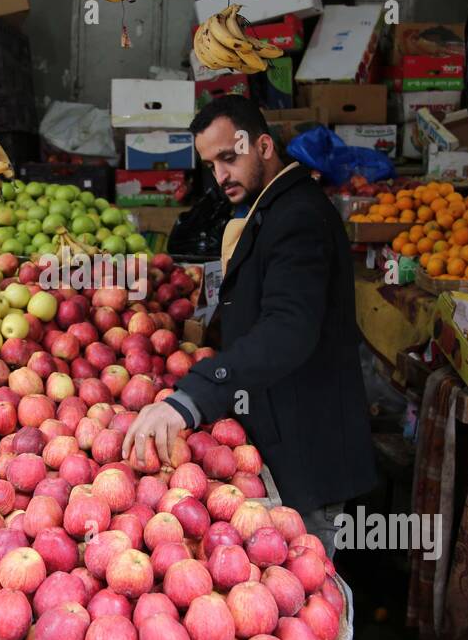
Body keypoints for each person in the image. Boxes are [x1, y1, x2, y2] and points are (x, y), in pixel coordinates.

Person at [122, 95, 376, 556]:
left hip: (308, 450)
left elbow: (288, 330)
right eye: (210, 165)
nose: (221, 176)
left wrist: (193, 398)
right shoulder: (272, 207)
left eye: (228, 157)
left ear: (261, 145)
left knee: (302, 586)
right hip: (282, 435)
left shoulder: (298, 216)